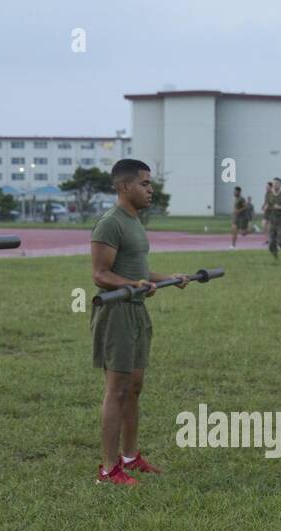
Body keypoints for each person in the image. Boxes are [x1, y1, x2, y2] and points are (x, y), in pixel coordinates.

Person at [89, 158, 188, 486]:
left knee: (134, 387)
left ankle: (130, 457)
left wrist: (166, 277)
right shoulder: (110, 223)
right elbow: (101, 275)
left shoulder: (134, 221)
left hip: (136, 310)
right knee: (116, 390)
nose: (151, 189)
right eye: (144, 184)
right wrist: (132, 286)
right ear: (123, 187)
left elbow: (139, 273)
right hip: (116, 313)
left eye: (150, 183)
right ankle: (108, 468)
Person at [264, 177, 281, 261]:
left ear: (280, 185)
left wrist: (279, 207)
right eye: (274, 183)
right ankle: (276, 258)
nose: (275, 184)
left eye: (277, 183)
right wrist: (266, 208)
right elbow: (268, 205)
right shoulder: (269, 195)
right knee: (271, 243)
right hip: (272, 221)